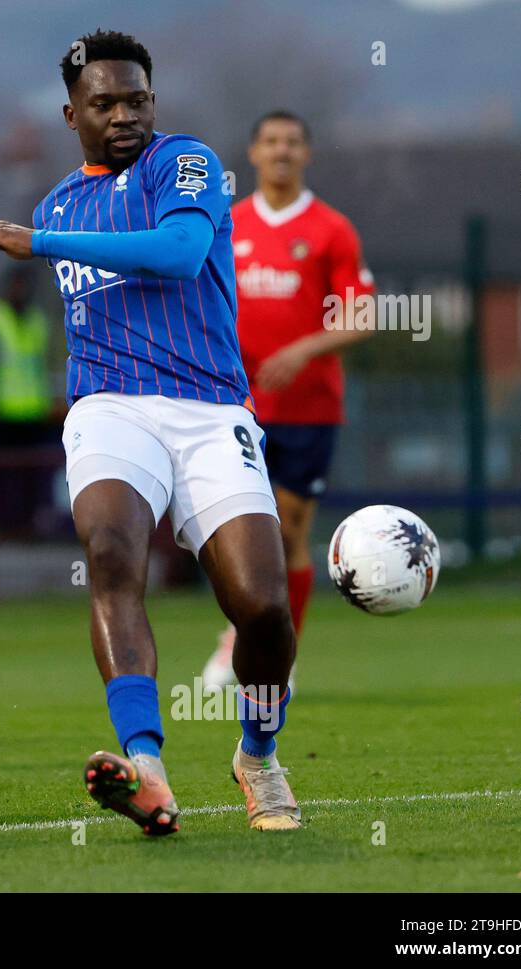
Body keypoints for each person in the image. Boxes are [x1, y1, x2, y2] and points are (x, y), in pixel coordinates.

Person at [0, 30, 301, 833]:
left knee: (264, 609)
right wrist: (41, 232)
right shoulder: (60, 201)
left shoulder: (188, 163)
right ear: (71, 113)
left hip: (210, 409)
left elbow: (179, 252)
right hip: (109, 406)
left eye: (136, 99)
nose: (124, 115)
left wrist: (35, 243)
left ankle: (258, 753)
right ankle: (145, 764)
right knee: (110, 552)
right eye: (103, 103)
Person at [200, 110, 373, 692]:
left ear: (307, 154)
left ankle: (280, 654)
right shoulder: (227, 223)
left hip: (308, 408)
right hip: (234, 406)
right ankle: (241, 635)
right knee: (239, 533)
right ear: (252, 152)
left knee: (288, 531)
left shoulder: (331, 229)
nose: (281, 151)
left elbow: (361, 317)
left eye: (293, 142)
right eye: (271, 141)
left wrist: (303, 349)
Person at [0, 265, 56, 538]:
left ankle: (28, 524)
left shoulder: (37, 320)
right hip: (3, 411)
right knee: (1, 475)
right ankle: (2, 526)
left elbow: (41, 366)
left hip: (33, 410)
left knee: (32, 476)